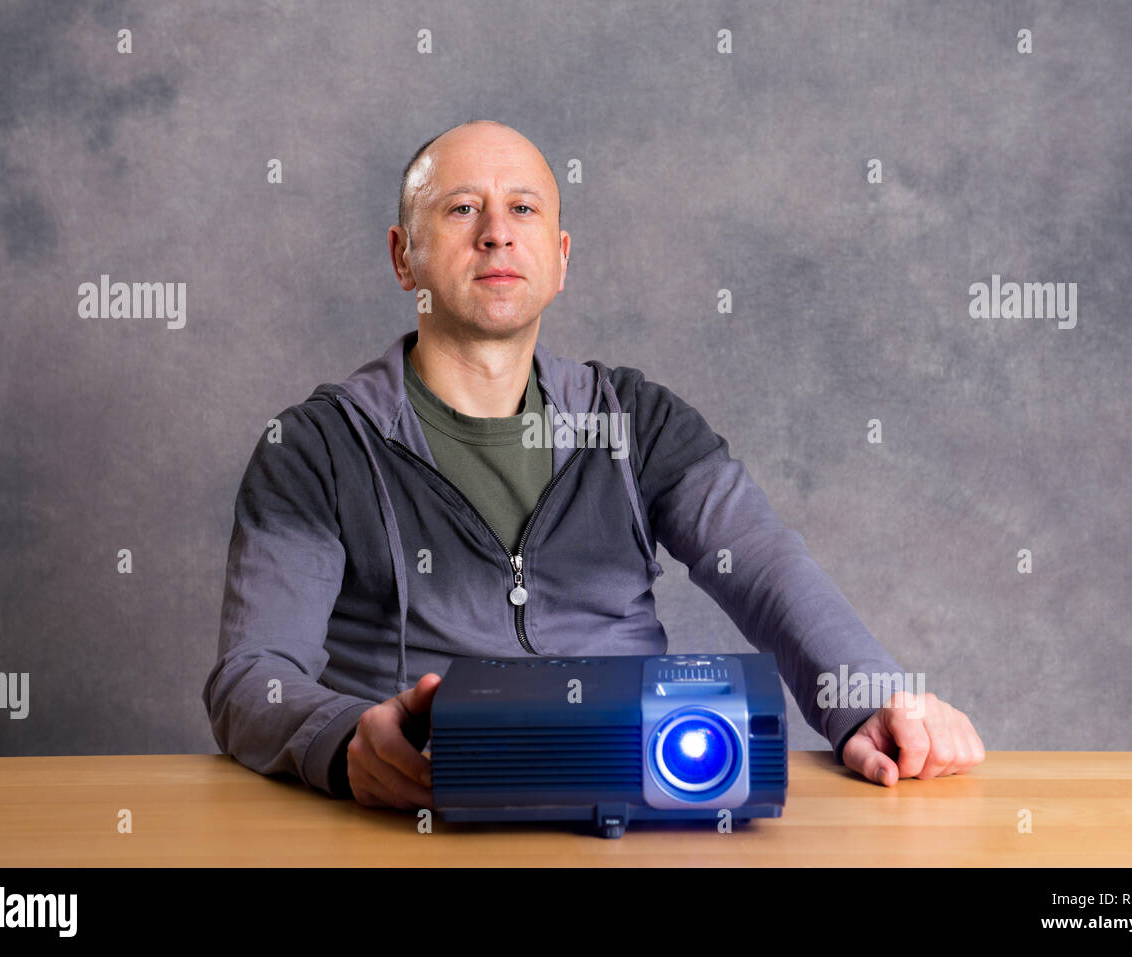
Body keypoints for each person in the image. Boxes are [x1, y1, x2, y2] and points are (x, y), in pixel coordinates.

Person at [202, 120, 985, 811]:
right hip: (419, 816)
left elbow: (768, 567)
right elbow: (252, 679)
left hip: (641, 801)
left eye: (524, 209)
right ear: (403, 257)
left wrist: (877, 698)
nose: (497, 233)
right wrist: (345, 744)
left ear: (560, 257)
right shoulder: (312, 447)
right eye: (462, 207)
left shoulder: (637, 421)